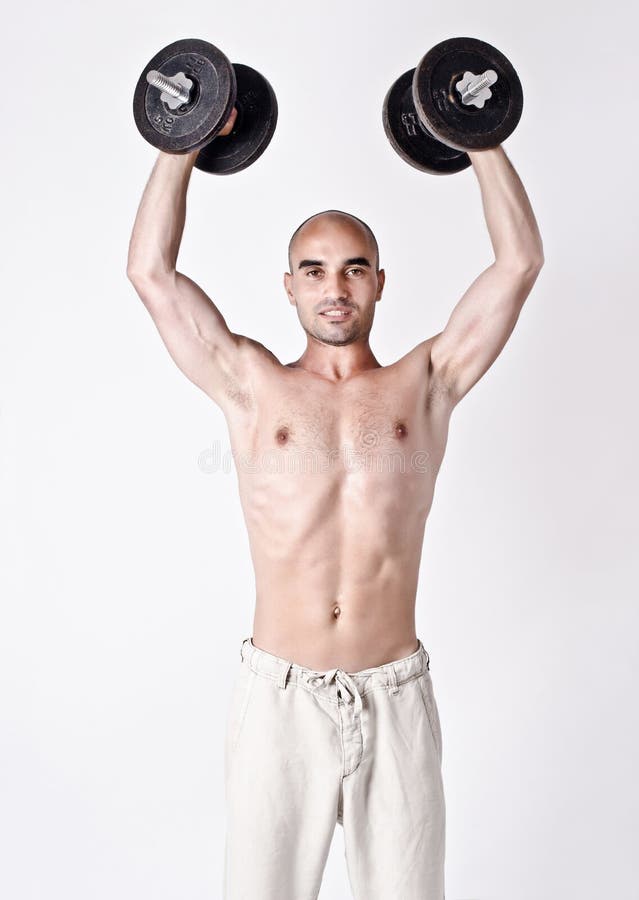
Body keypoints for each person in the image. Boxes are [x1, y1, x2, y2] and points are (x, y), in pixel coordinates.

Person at [127, 136, 543, 898]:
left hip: (393, 693)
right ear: (288, 286)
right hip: (278, 698)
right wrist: (181, 143)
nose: (335, 286)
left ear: (379, 281)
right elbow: (150, 273)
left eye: (353, 267)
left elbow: (517, 265)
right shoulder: (251, 385)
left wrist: (480, 139)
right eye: (314, 270)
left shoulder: (426, 384)